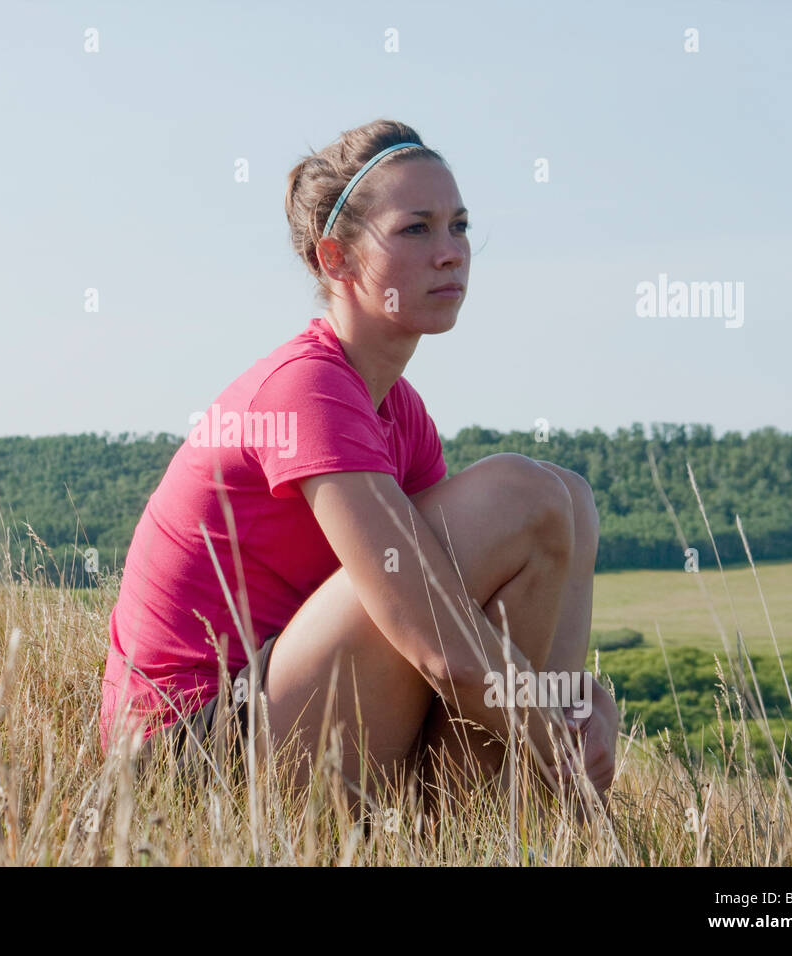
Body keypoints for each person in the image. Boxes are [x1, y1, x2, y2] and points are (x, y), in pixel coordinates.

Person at [100, 118, 617, 815]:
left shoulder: (401, 414)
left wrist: (577, 697)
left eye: (460, 227)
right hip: (188, 760)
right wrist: (556, 738)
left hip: (284, 706)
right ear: (336, 259)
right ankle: (526, 812)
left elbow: (472, 615)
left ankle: (484, 829)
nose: (451, 253)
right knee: (524, 498)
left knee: (570, 500)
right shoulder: (304, 388)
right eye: (416, 229)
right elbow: (443, 647)